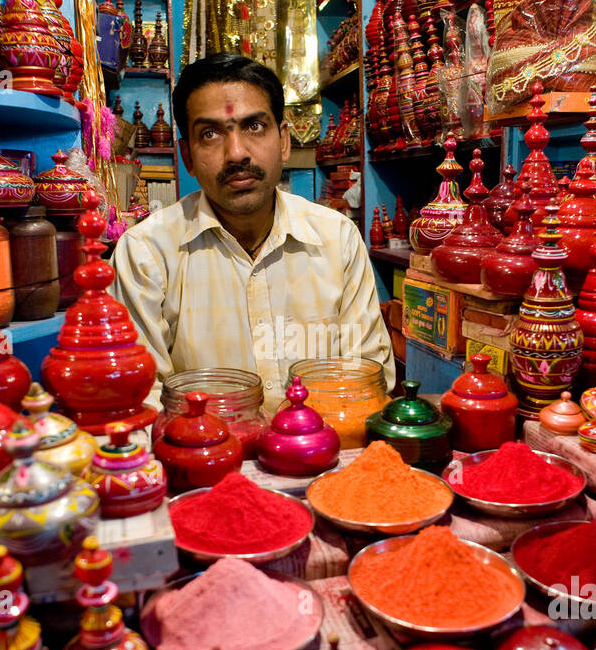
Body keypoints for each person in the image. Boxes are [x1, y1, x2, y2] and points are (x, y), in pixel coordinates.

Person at [109, 53, 396, 412]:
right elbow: (143, 397)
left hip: (324, 456)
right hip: (204, 460)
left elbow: (366, 379)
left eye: (255, 127)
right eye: (210, 134)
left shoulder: (337, 240)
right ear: (187, 156)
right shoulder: (147, 253)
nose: (236, 153)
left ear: (285, 141)